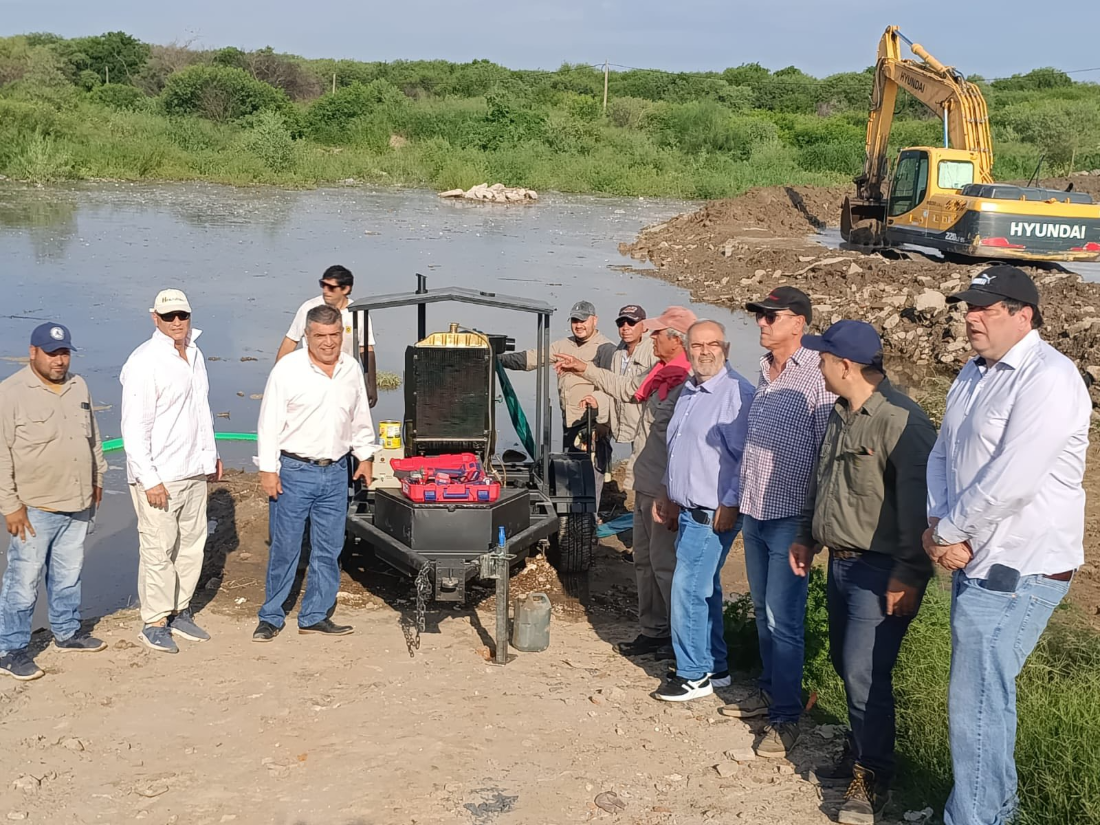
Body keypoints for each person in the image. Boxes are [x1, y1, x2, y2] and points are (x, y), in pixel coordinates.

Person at [923, 266, 1090, 825]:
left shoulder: (1050, 377)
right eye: (969, 305)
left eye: (986, 308)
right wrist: (938, 523)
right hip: (973, 554)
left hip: (1020, 566)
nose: (971, 315)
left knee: (976, 702)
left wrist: (950, 533)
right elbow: (943, 453)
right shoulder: (973, 374)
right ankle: (991, 809)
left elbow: (1013, 477)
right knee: (980, 697)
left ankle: (974, 818)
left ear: (1024, 315)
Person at [790, 321, 936, 821]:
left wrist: (909, 575)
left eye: (823, 358)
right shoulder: (840, 413)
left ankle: (873, 779)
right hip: (842, 563)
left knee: (865, 673)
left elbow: (919, 508)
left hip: (881, 572)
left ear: (846, 366)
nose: (818, 365)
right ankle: (859, 752)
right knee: (846, 666)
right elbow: (825, 481)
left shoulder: (902, 422)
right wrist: (809, 536)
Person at [719, 287, 836, 756]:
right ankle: (770, 691)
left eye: (772, 316)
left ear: (799, 324)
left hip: (792, 518)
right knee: (764, 614)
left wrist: (811, 529)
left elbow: (826, 457)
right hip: (757, 511)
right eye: (760, 315)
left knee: (782, 620)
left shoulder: (818, 376)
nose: (762, 323)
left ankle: (787, 717)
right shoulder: (766, 371)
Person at [555, 306, 696, 660]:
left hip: (665, 489)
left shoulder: (687, 381)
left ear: (676, 340)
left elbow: (685, 444)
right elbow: (627, 389)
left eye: (658, 333)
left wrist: (673, 492)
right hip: (645, 482)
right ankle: (653, 630)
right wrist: (583, 367)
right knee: (644, 562)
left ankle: (677, 641)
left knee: (665, 565)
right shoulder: (659, 371)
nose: (651, 335)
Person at [254, 304, 377, 642]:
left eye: (334, 335)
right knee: (286, 547)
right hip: (294, 470)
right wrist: (268, 470)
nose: (328, 343)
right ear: (307, 335)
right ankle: (271, 615)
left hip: (336, 471)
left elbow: (360, 418)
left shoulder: (351, 369)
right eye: (320, 336)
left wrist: (365, 457)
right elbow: (269, 423)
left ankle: (314, 614)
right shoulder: (287, 370)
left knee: (329, 547)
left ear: (342, 334)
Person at [0, 324, 109, 681]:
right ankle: (10, 648)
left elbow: (92, 436)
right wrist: (10, 505)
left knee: (67, 575)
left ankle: (66, 632)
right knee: (23, 580)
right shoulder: (11, 393)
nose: (59, 360)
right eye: (52, 353)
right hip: (34, 508)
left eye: (64, 353)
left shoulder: (79, 385)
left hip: (77, 502)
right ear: (33, 352)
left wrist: (98, 477)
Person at [653, 320, 754, 702]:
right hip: (689, 509)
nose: (705, 351)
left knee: (687, 590)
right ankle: (715, 665)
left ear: (725, 348)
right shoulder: (691, 390)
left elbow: (747, 459)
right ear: (687, 348)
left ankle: (693, 674)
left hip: (712, 513)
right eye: (697, 345)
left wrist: (730, 503)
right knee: (704, 589)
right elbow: (679, 446)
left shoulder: (736, 393)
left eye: (713, 344)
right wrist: (667, 492)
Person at [120, 290, 222, 655]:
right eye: (169, 316)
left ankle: (180, 610)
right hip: (160, 475)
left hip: (193, 469)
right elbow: (134, 428)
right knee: (158, 549)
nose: (176, 322)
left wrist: (211, 456)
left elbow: (200, 408)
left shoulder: (193, 353)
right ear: (155, 318)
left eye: (182, 315)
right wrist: (150, 479)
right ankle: (154, 621)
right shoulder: (145, 362)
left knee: (192, 545)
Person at [500, 299, 617, 508]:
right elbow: (533, 358)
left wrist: (602, 425)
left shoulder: (606, 348)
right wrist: (499, 359)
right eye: (575, 320)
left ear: (595, 320)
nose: (578, 325)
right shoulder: (564, 345)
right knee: (572, 474)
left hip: (592, 425)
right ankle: (575, 519)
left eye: (583, 320)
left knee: (591, 477)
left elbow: (611, 387)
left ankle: (588, 522)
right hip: (570, 422)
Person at [277, 265, 378, 408]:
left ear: (345, 289)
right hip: (312, 379)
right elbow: (290, 341)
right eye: (323, 285)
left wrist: (371, 386)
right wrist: (278, 378)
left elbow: (366, 349)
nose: (325, 291)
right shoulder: (309, 308)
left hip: (344, 379)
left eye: (331, 287)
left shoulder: (359, 312)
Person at [601, 305, 656, 497]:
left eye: (631, 322)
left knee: (646, 471)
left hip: (646, 425)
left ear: (644, 326)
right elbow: (613, 388)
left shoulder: (653, 351)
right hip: (626, 421)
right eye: (621, 323)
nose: (625, 327)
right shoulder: (618, 352)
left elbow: (635, 389)